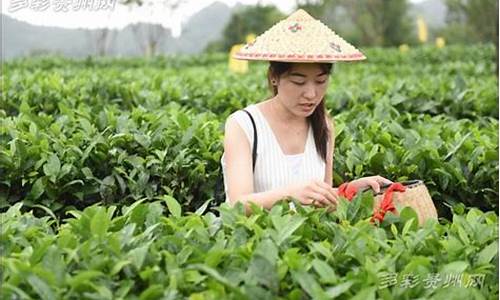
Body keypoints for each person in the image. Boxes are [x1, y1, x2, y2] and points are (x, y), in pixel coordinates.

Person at [220, 9, 392, 212]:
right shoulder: (244, 125)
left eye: (321, 81)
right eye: (298, 81)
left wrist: (350, 190)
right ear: (274, 77)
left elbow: (321, 199)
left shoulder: (325, 126)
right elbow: (238, 204)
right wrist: (289, 194)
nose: (311, 94)